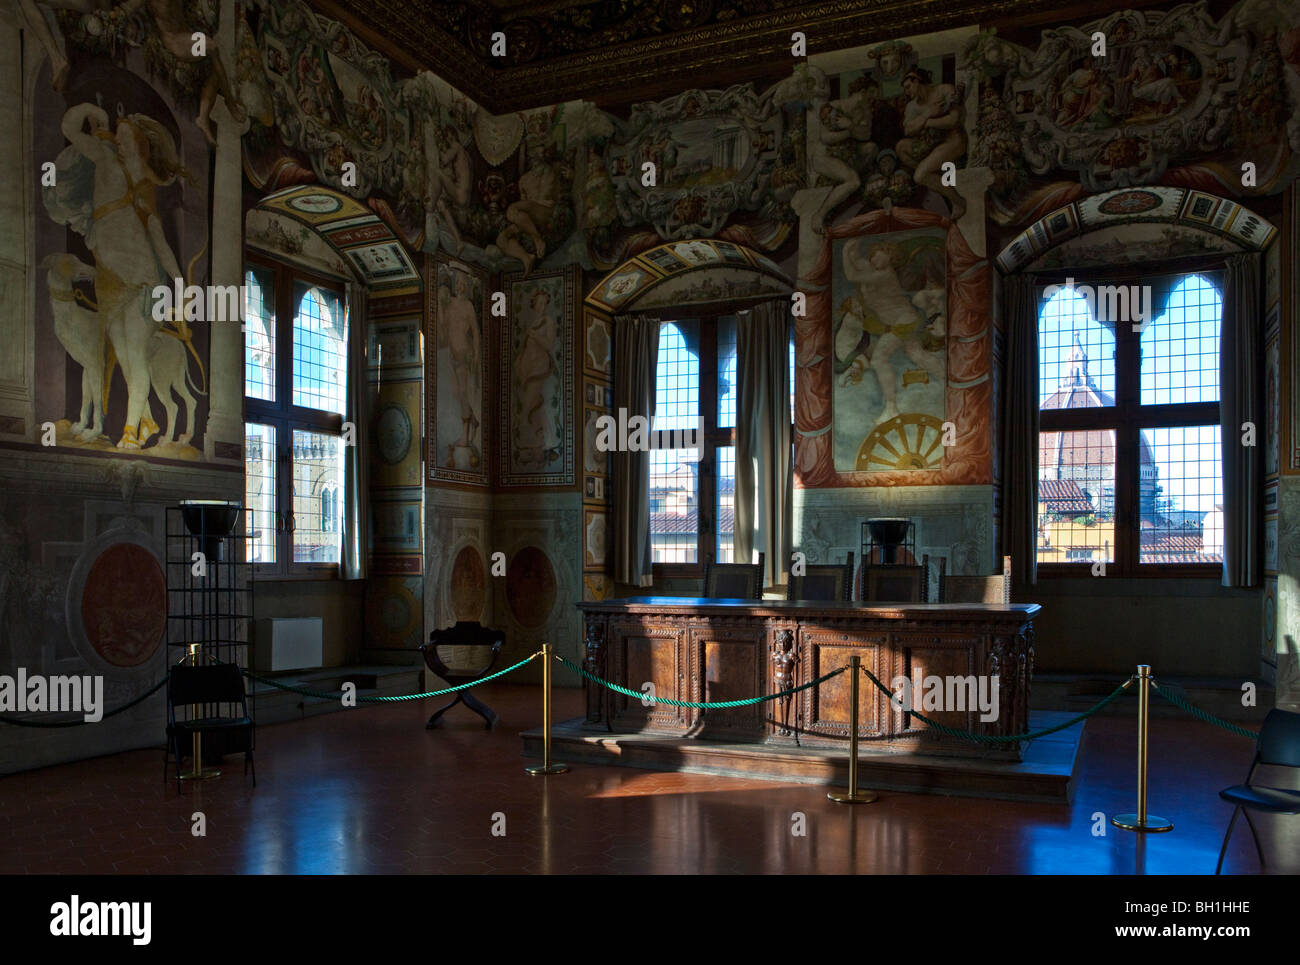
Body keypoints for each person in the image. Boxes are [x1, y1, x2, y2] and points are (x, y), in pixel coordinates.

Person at [843, 239, 945, 425]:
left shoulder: (885, 275)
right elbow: (858, 264)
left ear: (890, 256)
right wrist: (854, 251)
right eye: (872, 255)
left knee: (878, 358)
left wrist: (845, 250)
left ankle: (891, 407)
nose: (874, 259)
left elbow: (850, 275)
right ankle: (948, 380)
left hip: (903, 321)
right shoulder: (874, 275)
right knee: (916, 354)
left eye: (878, 255)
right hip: (906, 321)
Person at [896, 66, 968, 219]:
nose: (907, 91)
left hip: (952, 140)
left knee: (919, 176)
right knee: (901, 147)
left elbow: (953, 120)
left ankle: (958, 201)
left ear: (917, 80)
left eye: (908, 86)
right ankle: (933, 171)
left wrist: (927, 123)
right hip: (929, 143)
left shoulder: (944, 90)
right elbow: (908, 130)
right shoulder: (912, 106)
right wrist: (927, 115)